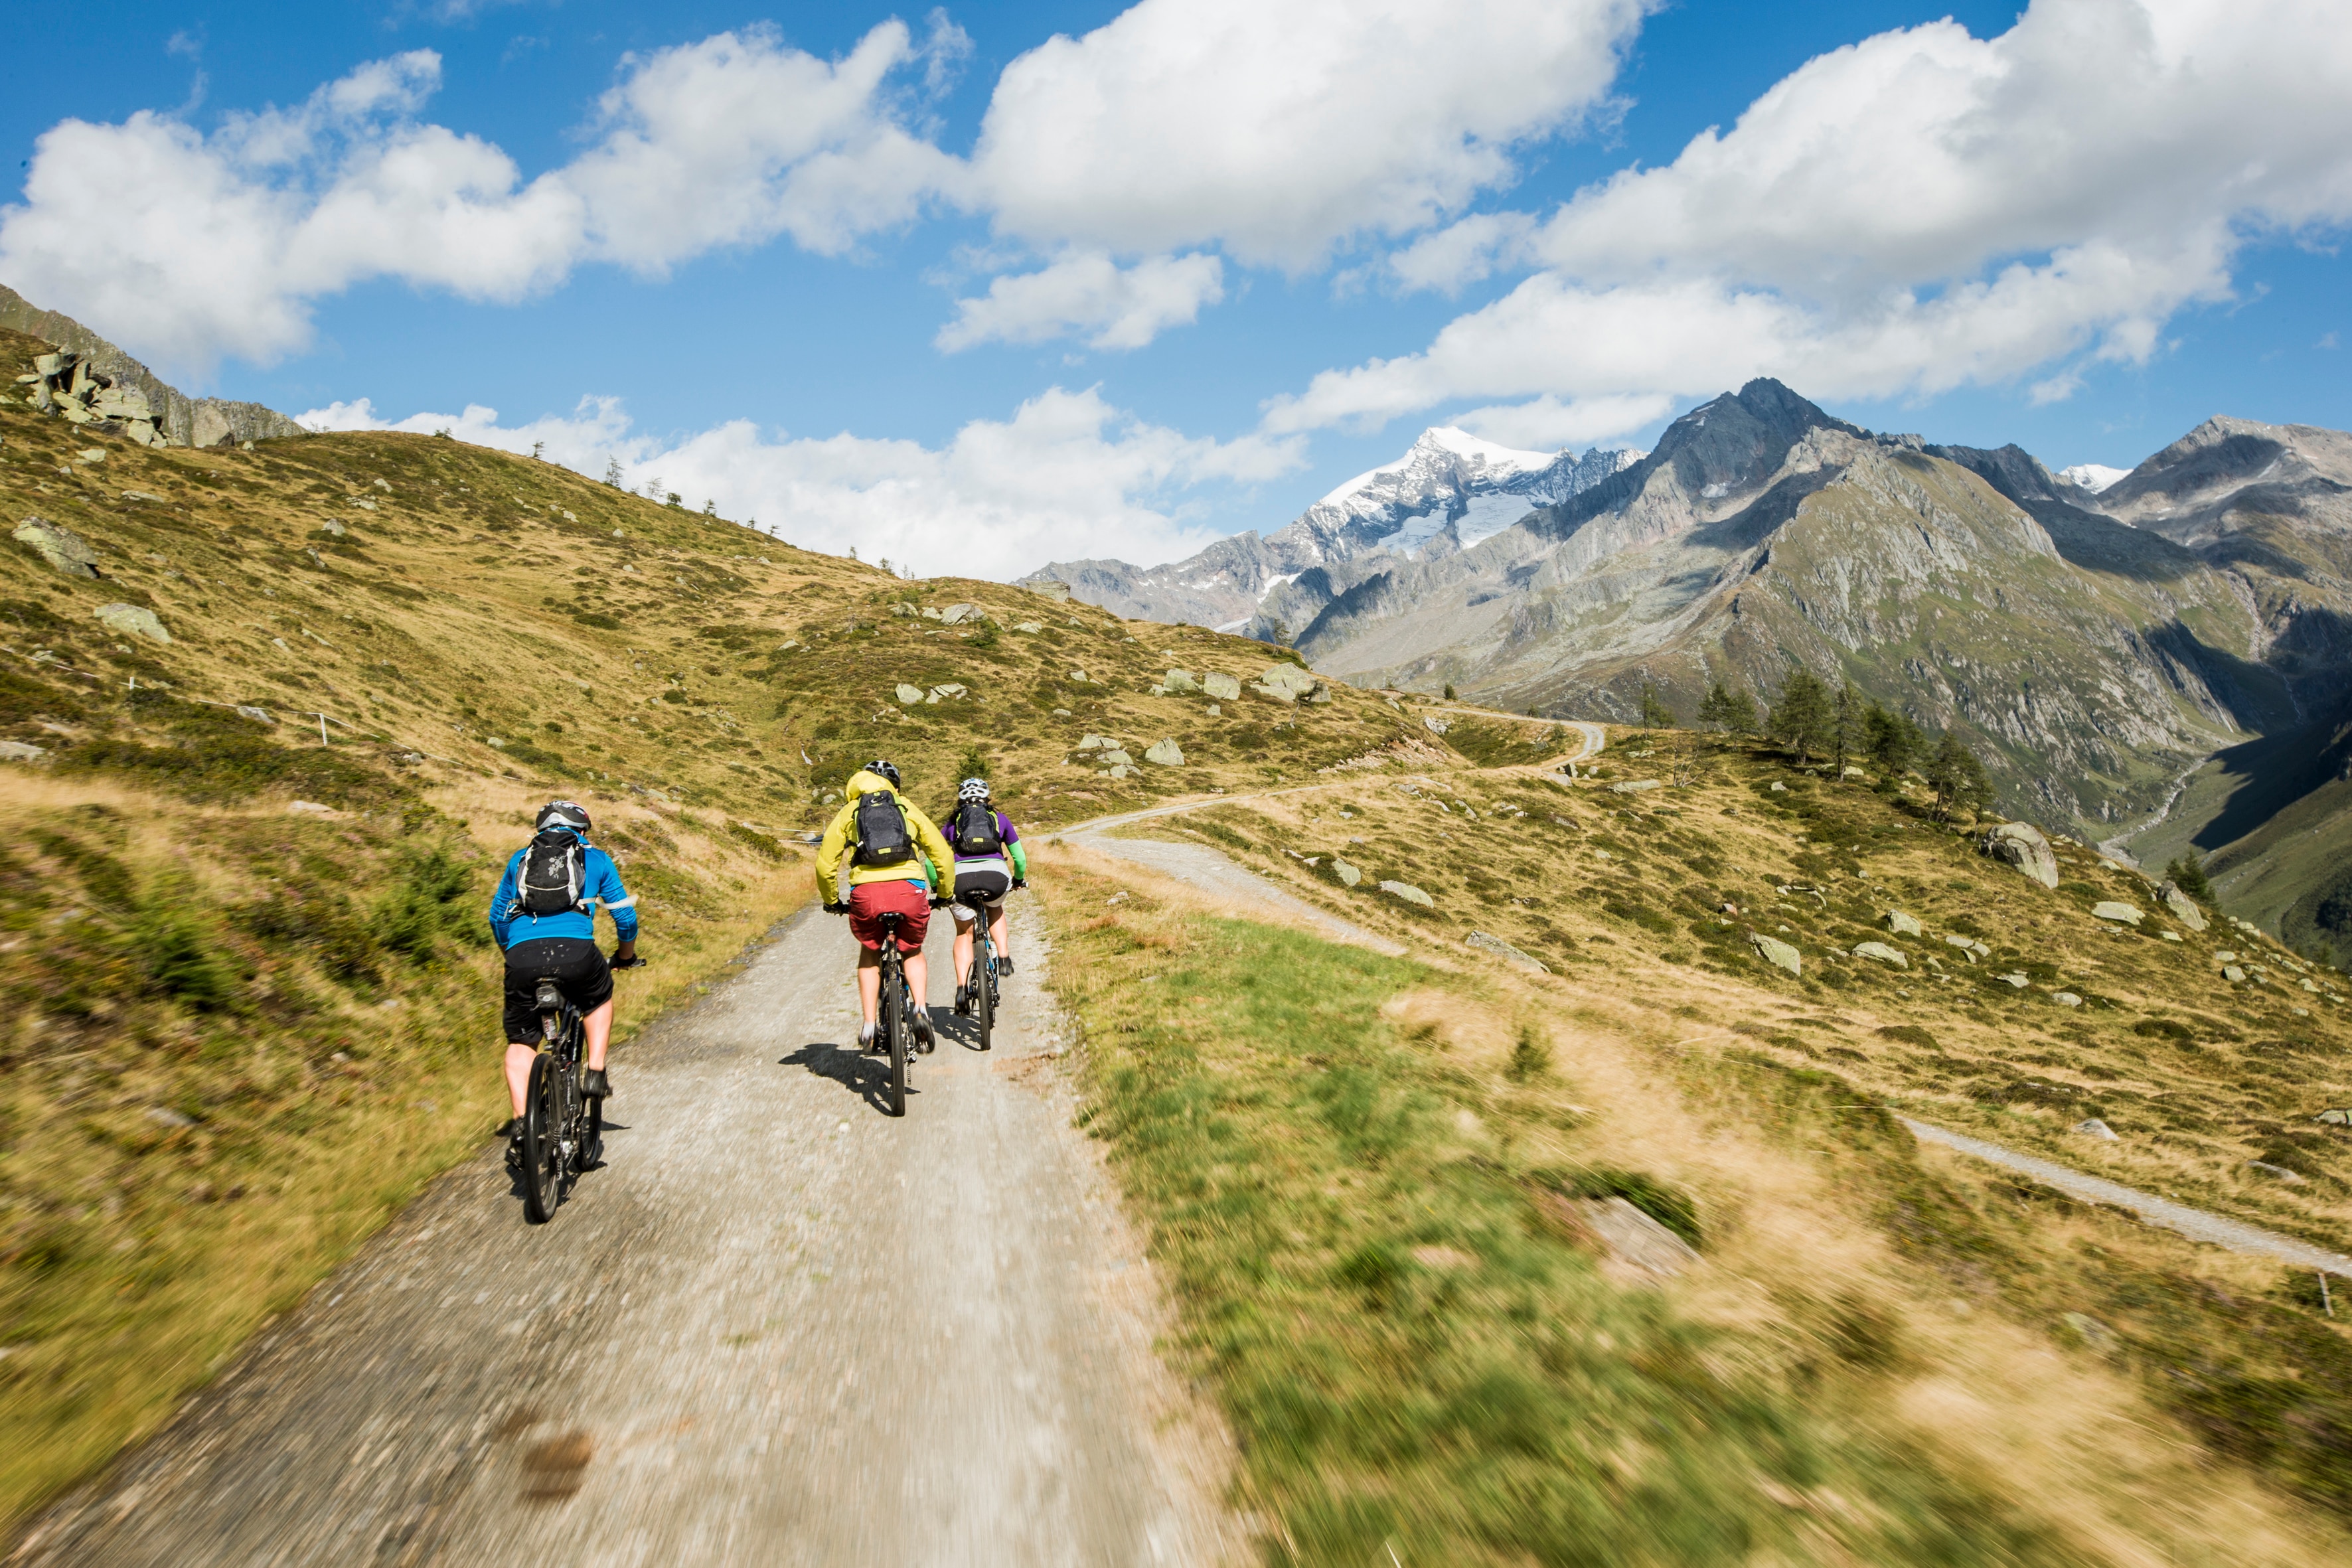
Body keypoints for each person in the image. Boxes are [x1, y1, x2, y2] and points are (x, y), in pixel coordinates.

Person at [489, 801, 639, 1151]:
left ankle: (522, 1125)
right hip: (577, 953)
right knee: (598, 998)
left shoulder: (519, 860)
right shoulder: (596, 859)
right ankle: (596, 1072)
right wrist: (624, 957)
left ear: (541, 831)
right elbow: (625, 917)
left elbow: (498, 917)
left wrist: (511, 954)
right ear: (581, 831)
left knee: (522, 1041)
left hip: (521, 957)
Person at [815, 760, 955, 1052]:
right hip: (909, 890)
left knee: (870, 950)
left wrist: (832, 901)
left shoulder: (850, 811)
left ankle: (868, 1025)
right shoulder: (905, 807)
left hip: (866, 895)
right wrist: (944, 893)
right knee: (912, 950)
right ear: (895, 786)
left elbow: (826, 863)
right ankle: (919, 1010)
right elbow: (941, 853)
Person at [939, 777, 1026, 1014]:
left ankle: (960, 987)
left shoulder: (952, 822)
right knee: (995, 908)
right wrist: (1018, 880)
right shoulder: (1000, 818)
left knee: (964, 932)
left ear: (960, 801)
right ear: (988, 798)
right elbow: (1020, 858)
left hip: (960, 880)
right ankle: (1004, 958)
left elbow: (932, 859)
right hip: (995, 876)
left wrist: (939, 886)